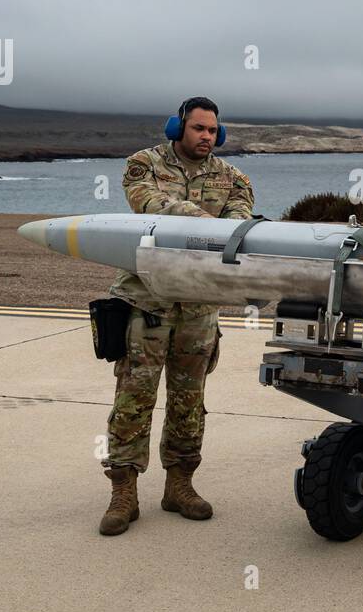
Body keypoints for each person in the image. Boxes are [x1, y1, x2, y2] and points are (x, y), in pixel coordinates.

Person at [98, 96, 254, 536]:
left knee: (189, 401)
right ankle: (123, 492)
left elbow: (239, 228)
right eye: (199, 128)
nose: (207, 137)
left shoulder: (234, 179)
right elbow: (148, 204)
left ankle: (180, 486)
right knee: (133, 398)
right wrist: (204, 221)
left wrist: (219, 230)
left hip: (199, 304)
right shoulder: (142, 164)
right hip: (146, 301)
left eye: (213, 130)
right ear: (178, 128)